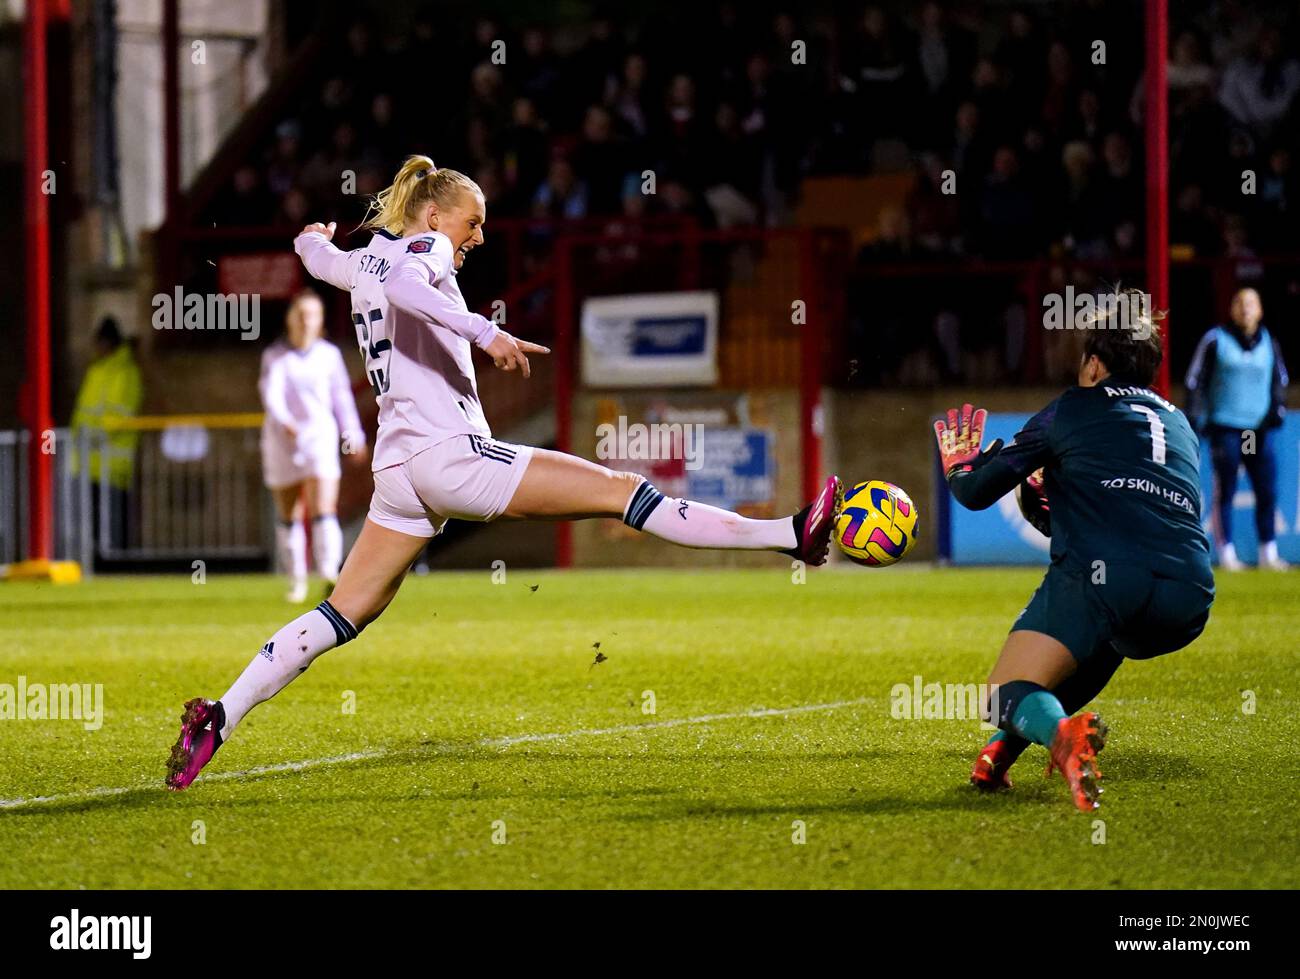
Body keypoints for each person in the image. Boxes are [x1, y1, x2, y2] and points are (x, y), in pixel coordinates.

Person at [165, 155, 840, 790]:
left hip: (399, 470)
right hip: (449, 455)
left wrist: (309, 241)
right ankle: (791, 534)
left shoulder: (364, 258)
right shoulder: (421, 250)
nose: (479, 236)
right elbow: (406, 284)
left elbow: (324, 261)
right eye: (473, 221)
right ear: (433, 217)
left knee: (343, 612)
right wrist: (486, 333)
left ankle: (219, 717)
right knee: (623, 492)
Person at [934, 295, 1214, 810]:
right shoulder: (1180, 425)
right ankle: (999, 755)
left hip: (1108, 576)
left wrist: (958, 466)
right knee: (1100, 636)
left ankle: (1063, 739)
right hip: (1188, 595)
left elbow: (976, 494)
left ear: (1093, 364)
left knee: (1003, 693)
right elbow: (1142, 499)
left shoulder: (1071, 408)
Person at [259, 290, 368, 603]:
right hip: (283, 443)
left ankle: (330, 573)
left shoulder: (328, 356)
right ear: (290, 319)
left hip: (319, 437)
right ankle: (296, 580)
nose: (306, 321)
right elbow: (272, 395)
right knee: (288, 513)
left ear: (320, 320)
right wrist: (285, 422)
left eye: (312, 314)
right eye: (300, 314)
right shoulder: (276, 357)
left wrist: (353, 435)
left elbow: (342, 399)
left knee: (324, 509)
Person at [1185, 287, 1290, 571]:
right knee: (1226, 488)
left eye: (1251, 303)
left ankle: (1268, 551)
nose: (1245, 308)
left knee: (1265, 488)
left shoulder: (1269, 341)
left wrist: (1276, 410)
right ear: (1231, 309)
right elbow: (1194, 379)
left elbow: (1280, 380)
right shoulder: (1216, 339)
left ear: (1260, 310)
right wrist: (1195, 416)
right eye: (1240, 303)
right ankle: (1226, 552)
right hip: (1227, 427)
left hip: (1255, 431)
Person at [70, 317, 144, 556]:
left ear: (107, 342)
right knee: (94, 520)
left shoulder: (125, 372)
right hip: (87, 460)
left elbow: (121, 413)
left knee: (113, 519)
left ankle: (115, 561)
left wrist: (94, 435)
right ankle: (96, 559)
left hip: (112, 461)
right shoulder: (97, 370)